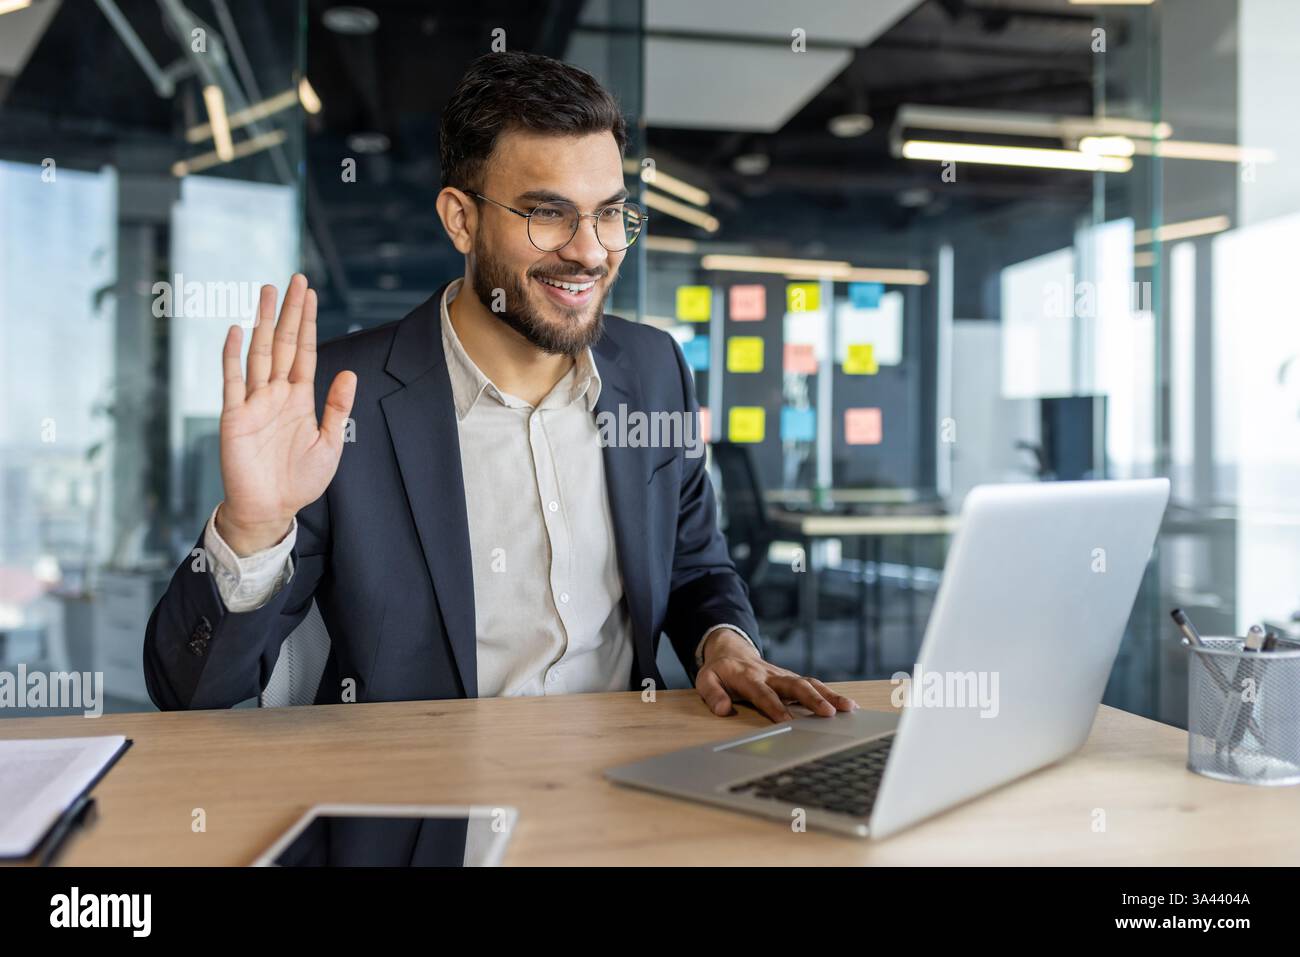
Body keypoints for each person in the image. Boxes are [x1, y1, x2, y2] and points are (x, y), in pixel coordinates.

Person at [143, 50, 858, 722]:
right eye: (548, 213)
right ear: (461, 218)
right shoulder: (341, 401)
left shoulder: (654, 371)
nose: (589, 249)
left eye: (610, 213)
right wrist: (251, 530)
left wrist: (722, 641)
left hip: (627, 789)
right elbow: (192, 691)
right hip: (425, 811)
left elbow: (695, 566)